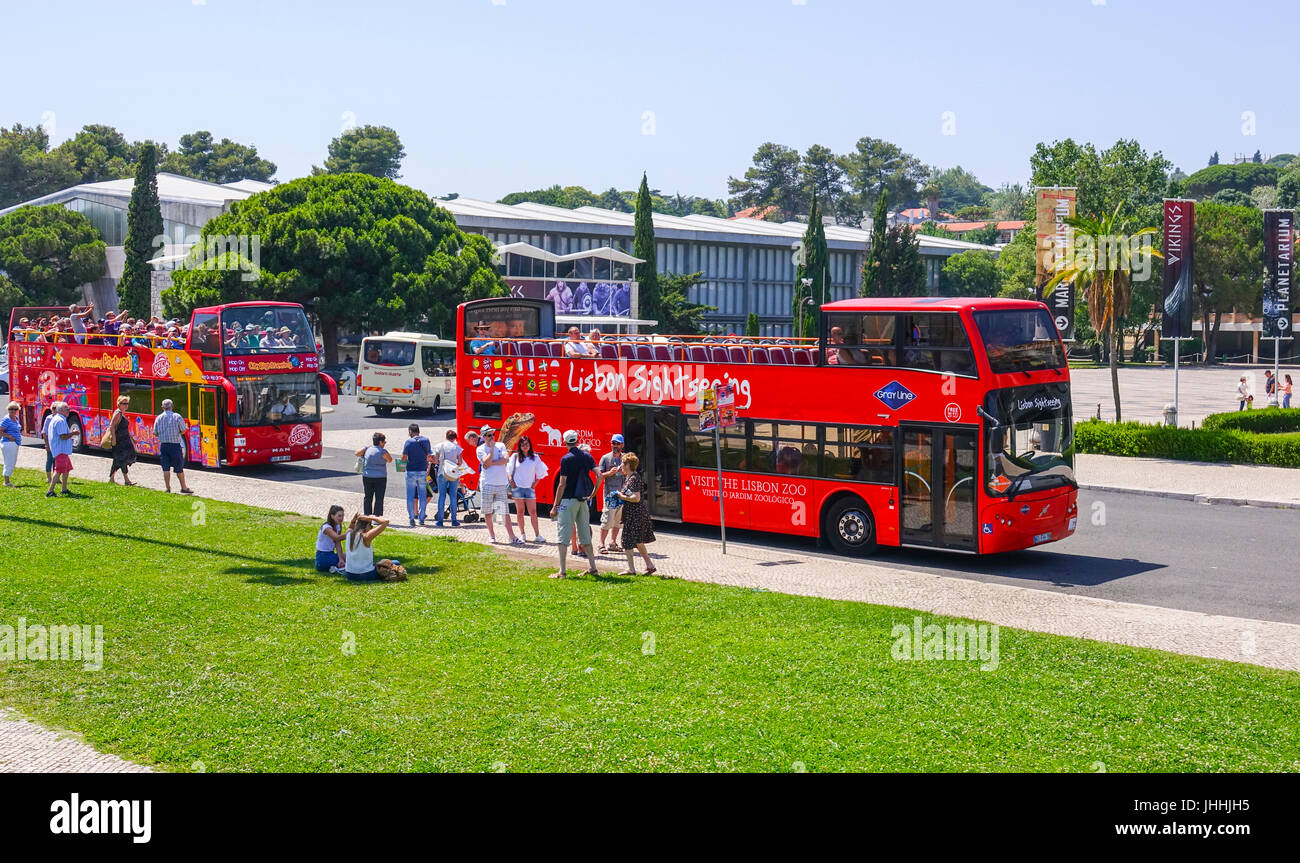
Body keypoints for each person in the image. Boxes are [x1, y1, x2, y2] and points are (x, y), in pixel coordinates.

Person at [549, 429, 599, 578]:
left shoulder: (566, 459)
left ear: (564, 442)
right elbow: (599, 475)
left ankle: (562, 571)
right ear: (577, 441)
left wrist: (555, 506)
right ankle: (593, 567)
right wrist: (593, 493)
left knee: (563, 536)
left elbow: (562, 484)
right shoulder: (587, 456)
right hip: (582, 501)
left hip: (568, 500)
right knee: (585, 535)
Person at [615, 453, 659, 576]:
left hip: (635, 514)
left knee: (627, 541)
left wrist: (621, 496)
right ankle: (650, 566)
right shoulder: (630, 477)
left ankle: (631, 569)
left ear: (628, 465)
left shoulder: (633, 478)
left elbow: (636, 498)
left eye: (623, 463)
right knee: (638, 542)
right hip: (634, 513)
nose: (621, 466)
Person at [476, 424, 520, 544]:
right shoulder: (480, 449)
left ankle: (512, 537)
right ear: (484, 437)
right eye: (489, 435)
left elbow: (506, 459)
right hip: (487, 483)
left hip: (501, 484)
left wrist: (492, 463)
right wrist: (491, 450)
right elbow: (486, 461)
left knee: (504, 512)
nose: (492, 437)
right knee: (488, 511)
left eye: (493, 434)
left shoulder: (501, 445)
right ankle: (492, 535)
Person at [508, 435, 548, 542]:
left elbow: (542, 472)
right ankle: (522, 534)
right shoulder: (515, 457)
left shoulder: (535, 457)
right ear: (519, 446)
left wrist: (535, 484)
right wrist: (511, 481)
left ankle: (537, 534)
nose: (525, 446)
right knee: (520, 511)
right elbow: (509, 469)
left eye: (527, 444)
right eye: (522, 445)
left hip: (529, 488)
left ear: (530, 445)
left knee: (533, 511)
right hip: (518, 487)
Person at [151, 399, 194, 494]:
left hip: (164, 446)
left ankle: (167, 488)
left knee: (165, 468)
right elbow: (183, 430)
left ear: (162, 408)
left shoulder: (158, 418)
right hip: (175, 446)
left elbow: (155, 433)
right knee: (179, 468)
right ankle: (184, 488)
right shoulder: (177, 417)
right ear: (172, 406)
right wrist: (182, 430)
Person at [597, 434, 626, 553]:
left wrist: (625, 472)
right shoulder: (605, 458)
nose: (615, 445)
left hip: (622, 494)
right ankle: (601, 544)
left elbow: (631, 472)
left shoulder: (625, 458)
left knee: (618, 521)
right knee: (607, 520)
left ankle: (613, 543)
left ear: (622, 445)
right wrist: (609, 473)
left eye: (618, 443)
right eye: (613, 443)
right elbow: (599, 476)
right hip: (610, 495)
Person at [431, 429, 465, 527]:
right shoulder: (457, 447)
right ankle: (454, 520)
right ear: (454, 438)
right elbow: (460, 462)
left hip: (442, 472)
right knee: (453, 496)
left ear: (446, 436)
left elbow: (436, 461)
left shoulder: (439, 446)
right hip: (453, 474)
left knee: (442, 496)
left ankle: (440, 520)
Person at [343, 513, 392, 582]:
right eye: (370, 526)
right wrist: (371, 518)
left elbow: (351, 526)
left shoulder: (348, 534)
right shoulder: (366, 537)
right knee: (395, 562)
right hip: (365, 575)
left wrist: (354, 519)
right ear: (367, 526)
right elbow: (386, 521)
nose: (371, 528)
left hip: (349, 575)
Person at [401, 423, 432, 526]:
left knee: (410, 496)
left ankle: (411, 518)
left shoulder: (408, 442)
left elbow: (404, 458)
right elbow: (429, 454)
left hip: (411, 471)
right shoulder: (426, 440)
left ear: (410, 431)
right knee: (422, 496)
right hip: (422, 471)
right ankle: (422, 518)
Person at [356, 432, 392, 516]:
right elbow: (390, 460)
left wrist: (365, 448)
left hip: (367, 476)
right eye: (384, 442)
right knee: (379, 497)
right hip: (380, 477)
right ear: (380, 442)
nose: (384, 444)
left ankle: (367, 514)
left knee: (368, 496)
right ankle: (377, 515)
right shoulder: (383, 451)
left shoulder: (367, 449)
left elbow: (356, 453)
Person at [106, 395, 137, 486]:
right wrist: (114, 440)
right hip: (119, 441)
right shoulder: (118, 413)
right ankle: (127, 480)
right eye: (124, 403)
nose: (126, 405)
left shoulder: (122, 413)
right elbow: (111, 426)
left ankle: (111, 479)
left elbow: (125, 428)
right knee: (122, 459)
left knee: (118, 460)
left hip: (125, 440)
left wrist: (132, 438)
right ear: (119, 404)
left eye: (127, 403)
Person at [46, 402, 75, 498]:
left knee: (66, 470)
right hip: (60, 450)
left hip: (62, 450)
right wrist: (73, 433)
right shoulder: (60, 421)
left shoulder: (58, 419)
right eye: (67, 409)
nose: (69, 411)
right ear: (61, 410)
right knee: (58, 471)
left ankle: (64, 489)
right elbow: (62, 436)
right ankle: (50, 491)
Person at [315, 505, 347, 572]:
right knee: (349, 562)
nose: (341, 518)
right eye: (339, 516)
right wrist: (350, 534)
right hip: (322, 556)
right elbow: (337, 538)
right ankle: (337, 567)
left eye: (343, 516)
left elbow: (337, 543)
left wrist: (340, 558)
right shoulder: (326, 527)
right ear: (332, 516)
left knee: (350, 557)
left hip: (331, 554)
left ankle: (335, 566)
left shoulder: (338, 526)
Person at [2, 402, 22, 487]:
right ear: (8, 409)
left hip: (13, 443)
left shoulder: (15, 418)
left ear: (18, 410)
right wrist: (9, 436)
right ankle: (6, 482)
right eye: (11, 409)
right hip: (8, 443)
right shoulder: (7, 419)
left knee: (12, 461)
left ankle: (7, 480)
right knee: (9, 462)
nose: (13, 411)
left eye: (15, 409)